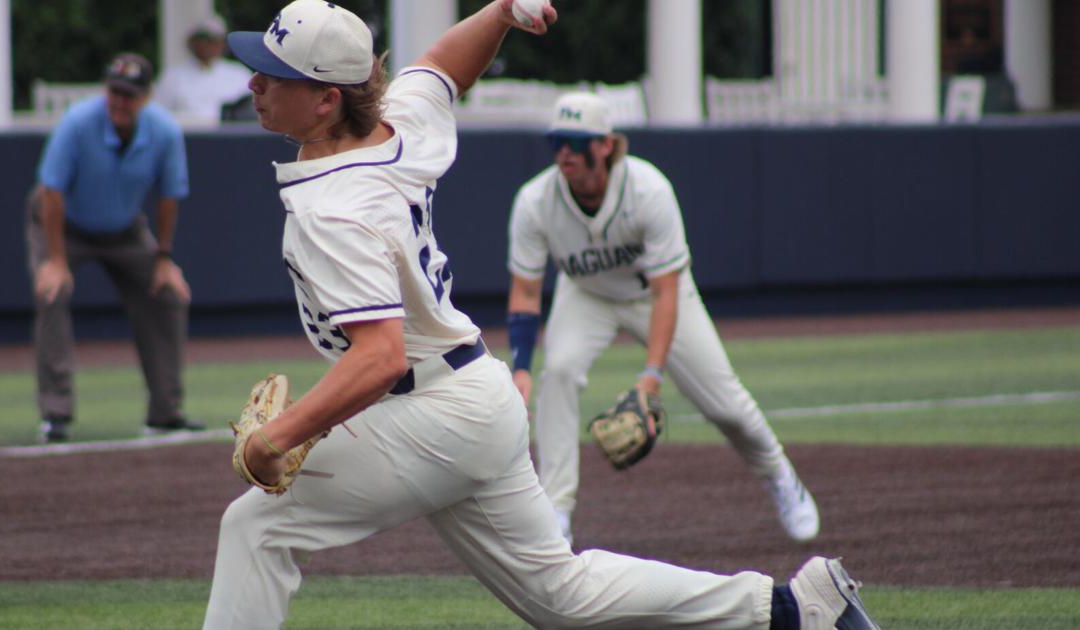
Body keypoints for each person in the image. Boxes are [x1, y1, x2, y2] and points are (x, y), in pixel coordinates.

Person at [206, 1, 881, 628]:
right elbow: (443, 65)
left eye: (273, 74)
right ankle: (794, 609)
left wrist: (276, 437)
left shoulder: (334, 210)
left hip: (430, 410)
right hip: (474, 395)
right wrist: (501, 11)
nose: (255, 82)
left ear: (327, 100)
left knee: (256, 528)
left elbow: (379, 357)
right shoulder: (395, 125)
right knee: (562, 597)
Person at [506, 91, 821, 546]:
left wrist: (650, 378)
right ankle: (557, 509)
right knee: (558, 371)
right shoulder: (535, 201)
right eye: (557, 142)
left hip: (655, 294)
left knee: (724, 404)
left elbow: (667, 290)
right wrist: (519, 365)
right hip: (586, 293)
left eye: (576, 142)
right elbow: (527, 289)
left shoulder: (648, 189)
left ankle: (780, 476)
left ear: (607, 145)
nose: (565, 154)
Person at [26, 52, 203, 443]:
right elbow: (51, 192)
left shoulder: (165, 132)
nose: (120, 102)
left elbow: (170, 196)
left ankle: (165, 412)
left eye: (129, 94)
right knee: (53, 292)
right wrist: (55, 260)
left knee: (169, 295)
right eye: (114, 92)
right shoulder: (77, 123)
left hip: (124, 228)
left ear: (146, 96)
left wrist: (163, 259)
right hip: (62, 224)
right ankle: (56, 414)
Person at [153, 14, 253, 125]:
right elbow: (158, 115)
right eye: (203, 39)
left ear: (222, 44)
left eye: (213, 40)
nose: (207, 45)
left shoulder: (239, 74)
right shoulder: (173, 76)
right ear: (192, 43)